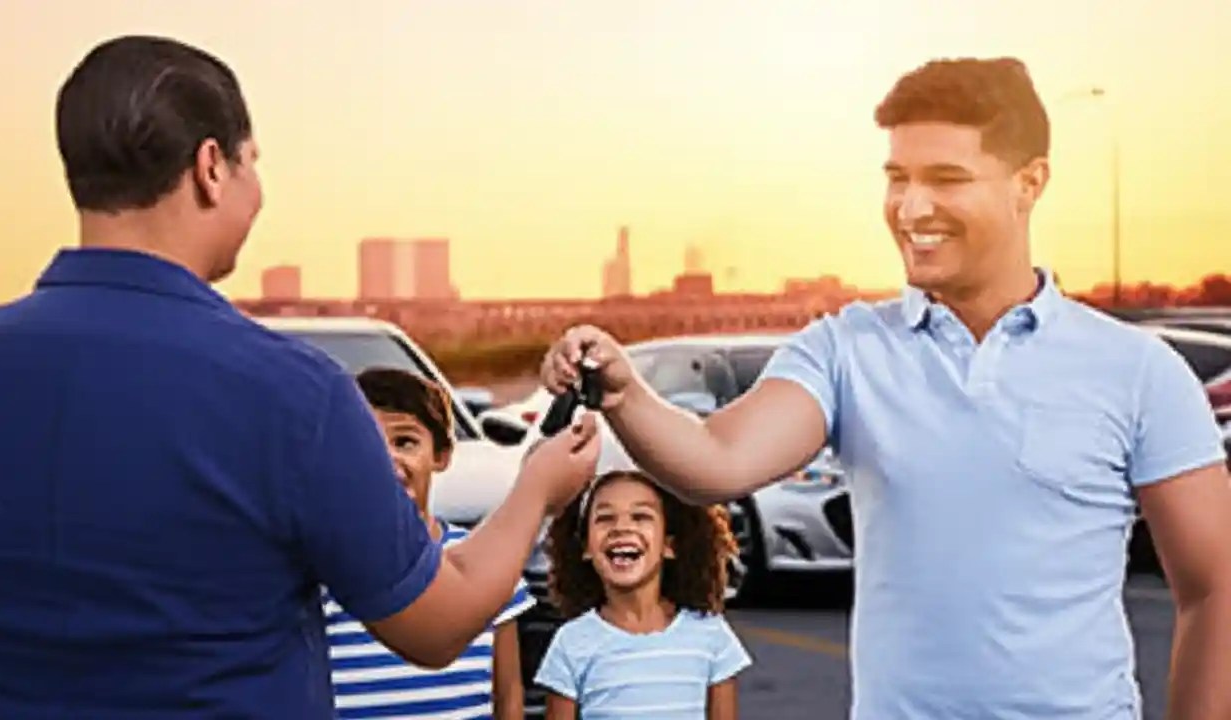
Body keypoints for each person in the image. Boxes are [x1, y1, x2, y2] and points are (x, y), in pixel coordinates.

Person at [540, 57, 1231, 719]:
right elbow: (717, 459)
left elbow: (1214, 588)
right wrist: (625, 393)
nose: (911, 207)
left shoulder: (1137, 370)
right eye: (898, 177)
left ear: (1030, 183)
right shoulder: (846, 350)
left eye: (946, 178)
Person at [0, 35, 600, 718]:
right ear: (210, 167)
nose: (257, 188)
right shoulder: (293, 392)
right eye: (251, 162)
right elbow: (438, 624)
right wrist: (537, 489)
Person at [323, 368, 533, 719]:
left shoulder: (487, 560)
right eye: (367, 443)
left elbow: (508, 696)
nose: (387, 459)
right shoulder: (323, 565)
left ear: (441, 454)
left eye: (405, 442)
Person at [534, 469, 751, 720]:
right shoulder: (571, 642)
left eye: (640, 516)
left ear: (669, 546)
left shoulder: (711, 635)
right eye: (605, 518)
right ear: (585, 548)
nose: (621, 528)